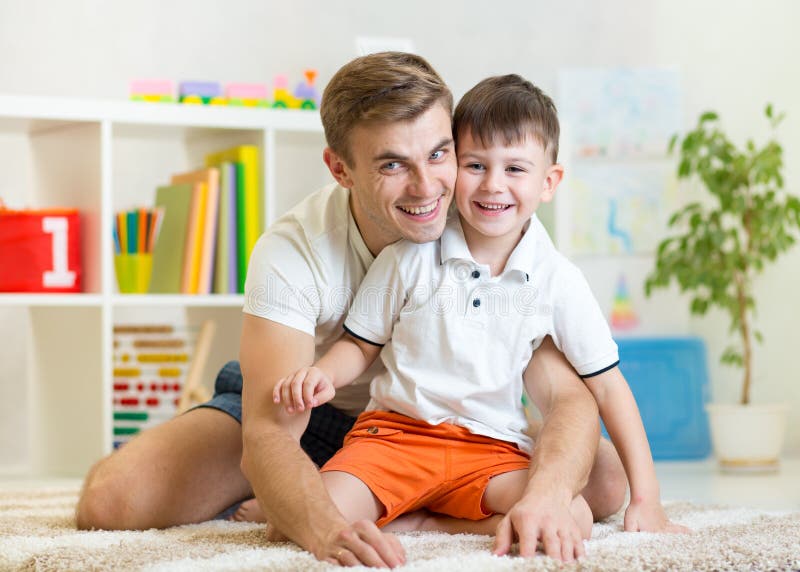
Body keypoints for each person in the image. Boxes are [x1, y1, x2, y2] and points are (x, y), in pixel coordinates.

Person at [75, 53, 627, 567]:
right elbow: (270, 432)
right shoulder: (295, 251)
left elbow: (568, 394)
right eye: (392, 164)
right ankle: (290, 491)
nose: (426, 186)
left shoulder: (490, 214)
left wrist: (551, 493)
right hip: (314, 415)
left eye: (438, 154)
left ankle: (395, 507)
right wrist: (321, 528)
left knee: (600, 479)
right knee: (112, 504)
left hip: (449, 425)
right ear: (340, 169)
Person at [264, 73, 687, 554]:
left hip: (490, 449)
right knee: (296, 523)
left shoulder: (558, 280)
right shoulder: (410, 255)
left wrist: (647, 498)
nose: (493, 185)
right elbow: (360, 345)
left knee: (573, 516)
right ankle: (413, 512)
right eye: (476, 165)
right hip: (394, 440)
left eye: (515, 169)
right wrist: (321, 374)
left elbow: (608, 386)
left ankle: (426, 525)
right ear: (454, 167)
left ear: (550, 182)